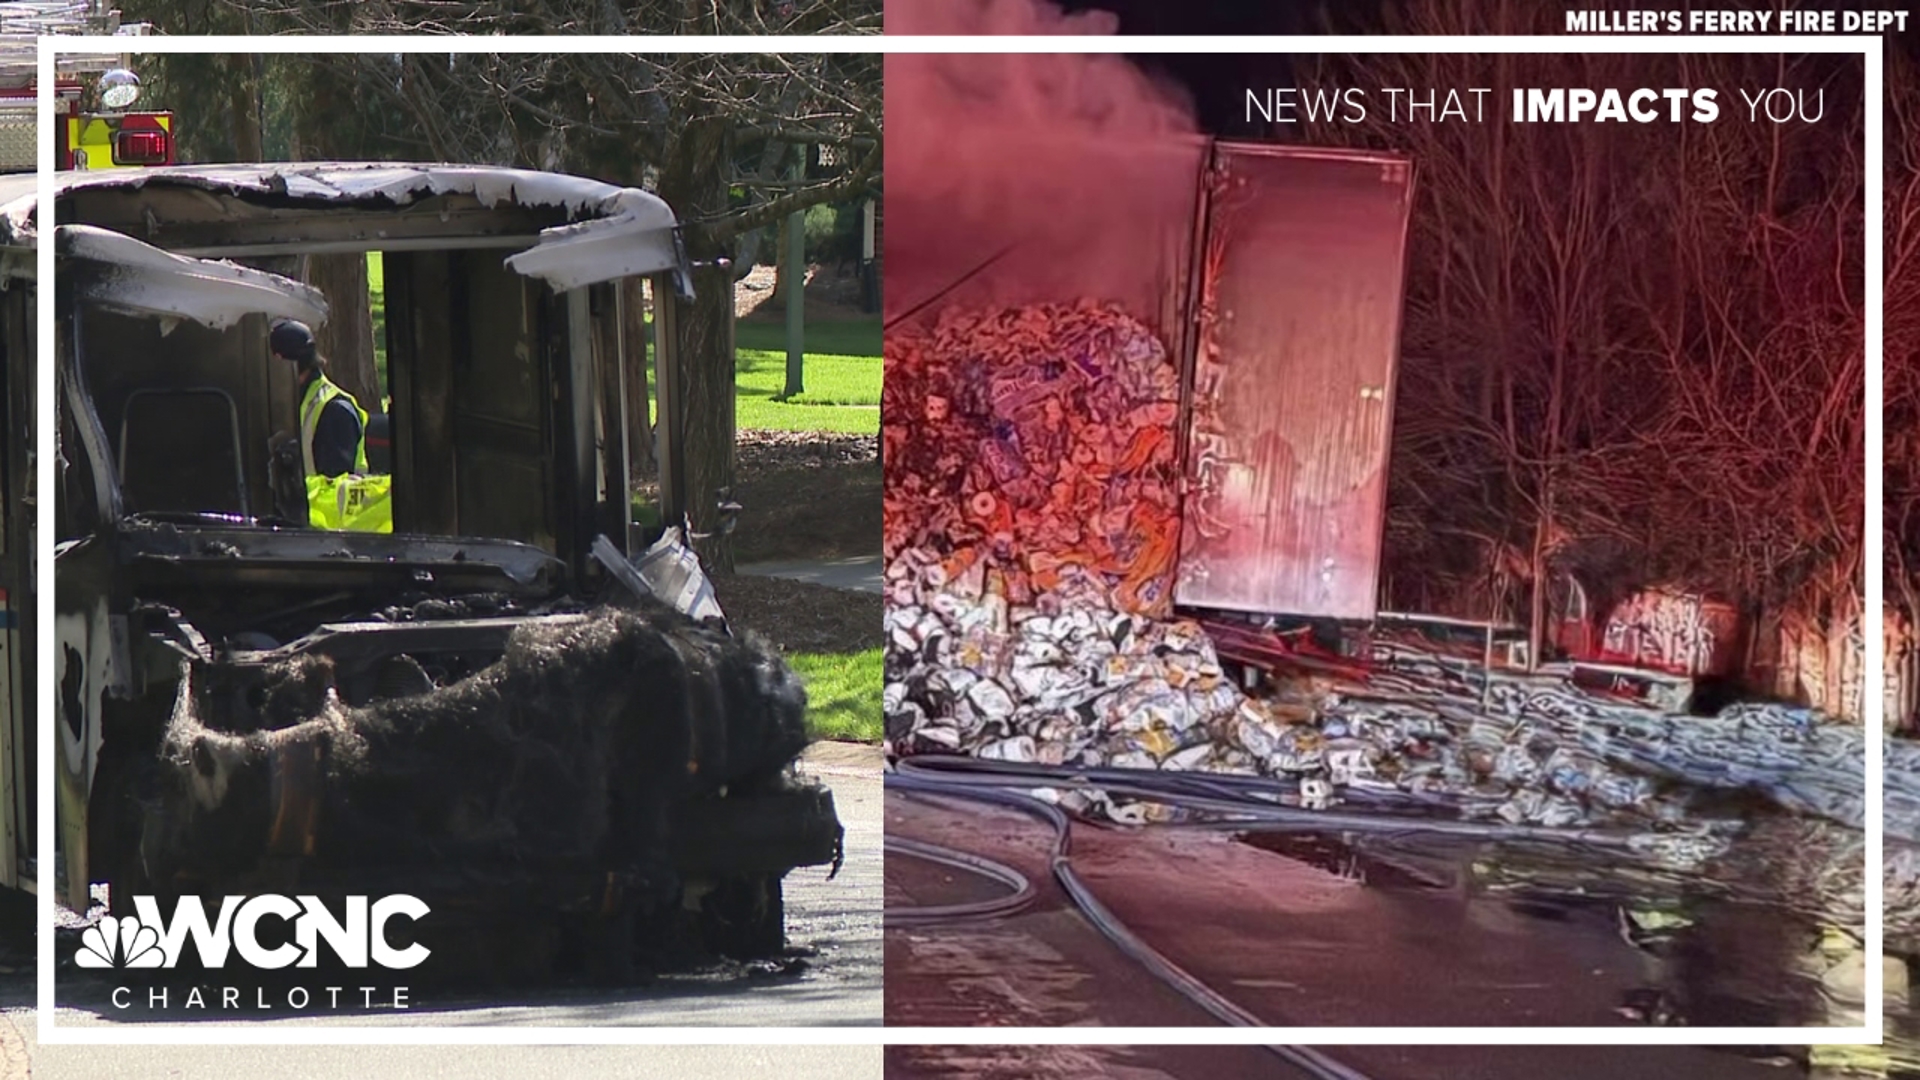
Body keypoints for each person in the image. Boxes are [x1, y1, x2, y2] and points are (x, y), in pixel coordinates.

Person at [269, 319, 391, 532]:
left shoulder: (334, 410)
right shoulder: (291, 400)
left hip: (328, 532)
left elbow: (333, 488)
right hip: (296, 526)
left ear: (282, 362)